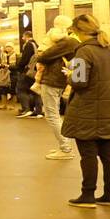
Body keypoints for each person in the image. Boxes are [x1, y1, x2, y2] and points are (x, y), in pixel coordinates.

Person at [62, 14, 110, 208]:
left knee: (88, 152)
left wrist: (70, 75)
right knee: (107, 150)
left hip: (85, 109)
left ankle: (88, 195)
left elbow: (79, 81)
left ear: (78, 31)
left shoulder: (83, 52)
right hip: (106, 108)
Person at [32, 25, 78, 159]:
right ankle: (64, 145)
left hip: (52, 80)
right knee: (55, 114)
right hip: (58, 80)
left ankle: (66, 148)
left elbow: (42, 56)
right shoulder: (71, 42)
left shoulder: (65, 43)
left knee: (51, 114)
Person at [13, 30, 42, 117]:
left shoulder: (28, 45)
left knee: (20, 89)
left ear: (26, 36)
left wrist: (18, 67)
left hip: (28, 71)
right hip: (36, 71)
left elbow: (25, 59)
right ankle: (38, 111)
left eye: (23, 37)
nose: (22, 38)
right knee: (35, 90)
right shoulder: (36, 45)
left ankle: (26, 109)